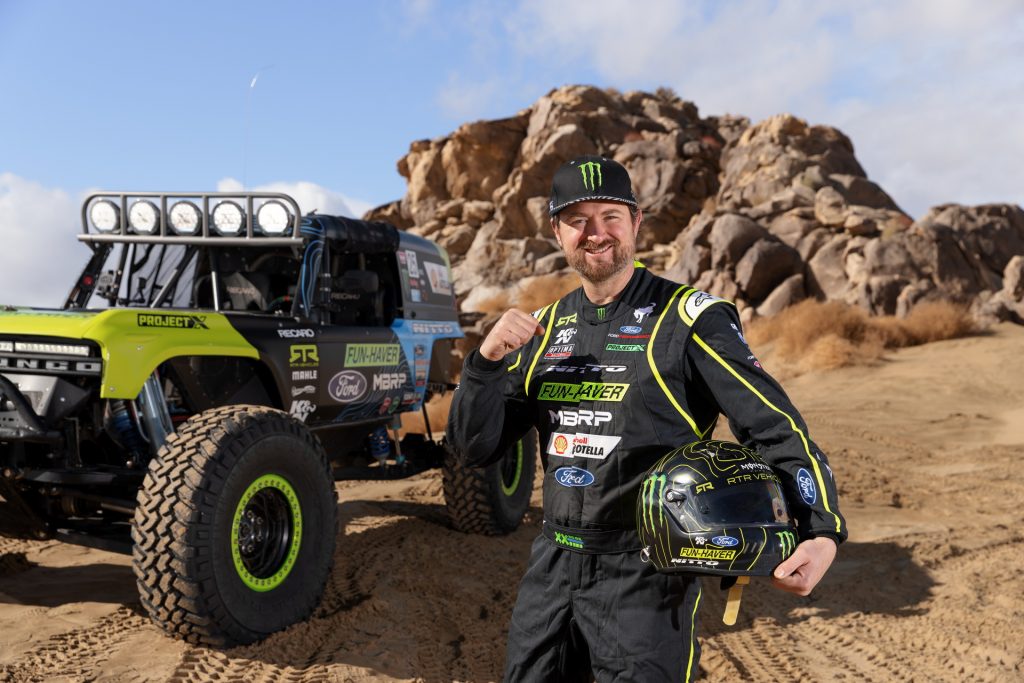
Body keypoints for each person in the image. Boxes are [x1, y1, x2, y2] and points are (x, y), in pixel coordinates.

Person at [447, 155, 847, 682]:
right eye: (578, 220)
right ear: (557, 232)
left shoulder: (691, 318)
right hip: (552, 567)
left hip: (646, 575)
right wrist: (484, 365)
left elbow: (773, 426)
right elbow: (474, 449)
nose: (596, 233)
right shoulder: (543, 328)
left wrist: (821, 529)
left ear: (636, 222)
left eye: (610, 216)